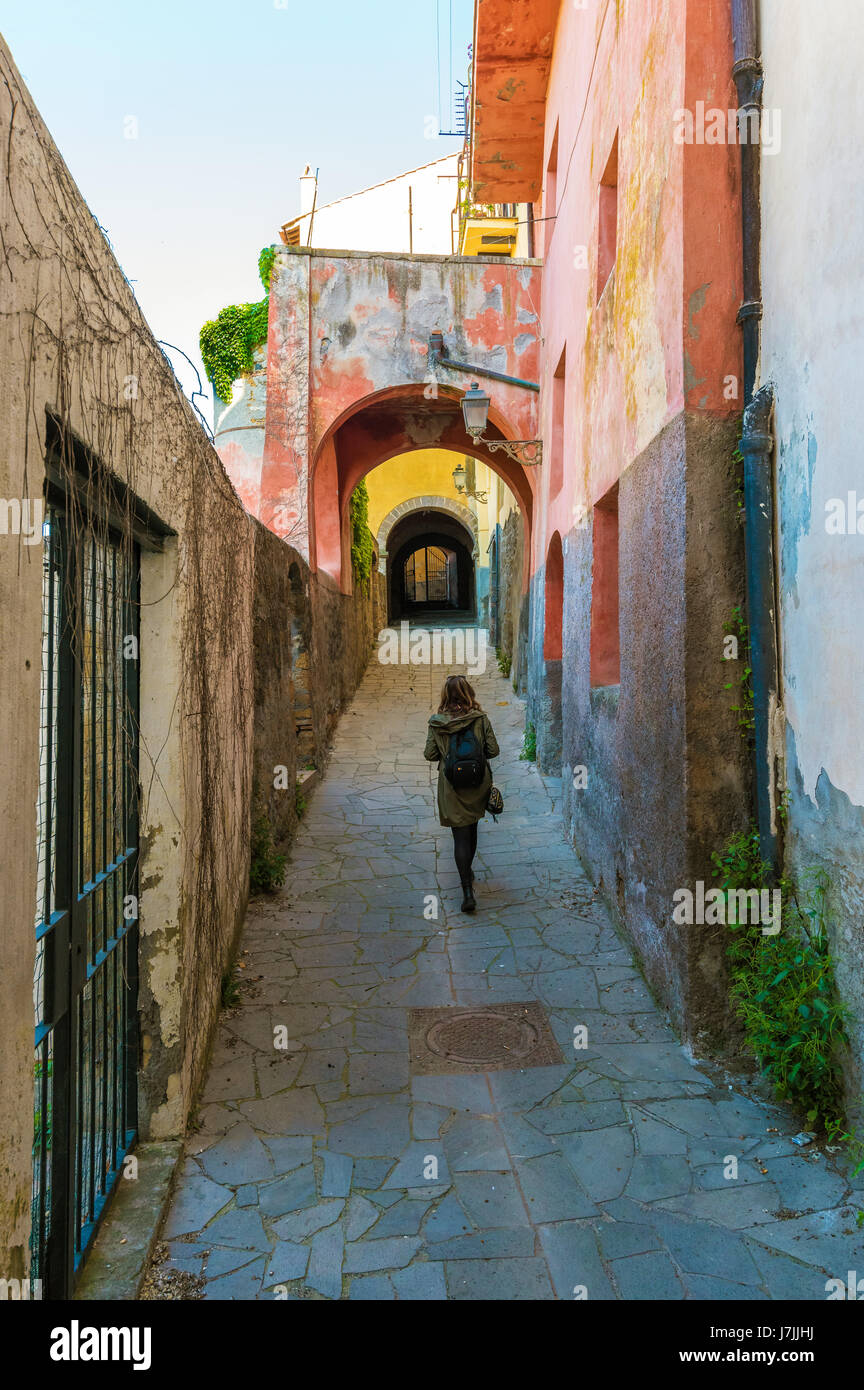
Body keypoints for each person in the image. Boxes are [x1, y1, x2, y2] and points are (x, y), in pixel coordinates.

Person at [424, 674, 500, 913]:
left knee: (460, 836)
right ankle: (469, 870)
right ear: (469, 693)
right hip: (478, 785)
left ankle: (466, 890)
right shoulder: (480, 719)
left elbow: (430, 754)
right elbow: (493, 750)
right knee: (473, 826)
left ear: (445, 696)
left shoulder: (437, 723)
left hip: (452, 787)